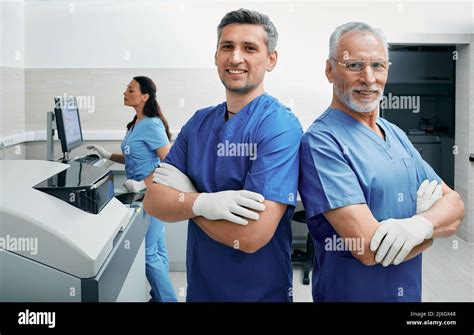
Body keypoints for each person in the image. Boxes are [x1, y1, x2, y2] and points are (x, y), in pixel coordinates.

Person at [298, 22, 465, 302]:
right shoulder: (321, 142)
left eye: (378, 65)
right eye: (354, 66)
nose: (369, 77)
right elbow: (368, 248)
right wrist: (430, 226)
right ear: (330, 70)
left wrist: (418, 226)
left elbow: (456, 208)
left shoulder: (395, 133)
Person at [144, 8, 302, 302]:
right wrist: (205, 202)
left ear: (271, 60)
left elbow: (254, 236)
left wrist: (190, 199)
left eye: (250, 48)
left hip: (260, 293)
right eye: (227, 46)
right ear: (216, 55)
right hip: (202, 290)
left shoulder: (279, 126)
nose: (236, 57)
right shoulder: (199, 123)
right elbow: (153, 200)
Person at [88, 76, 177, 302]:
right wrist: (108, 155)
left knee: (148, 253)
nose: (124, 92)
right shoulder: (135, 123)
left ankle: (168, 300)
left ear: (144, 96)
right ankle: (159, 297)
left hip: (153, 194)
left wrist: (143, 183)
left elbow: (170, 163)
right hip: (141, 196)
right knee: (157, 248)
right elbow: (133, 157)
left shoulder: (152, 124)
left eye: (130, 89)